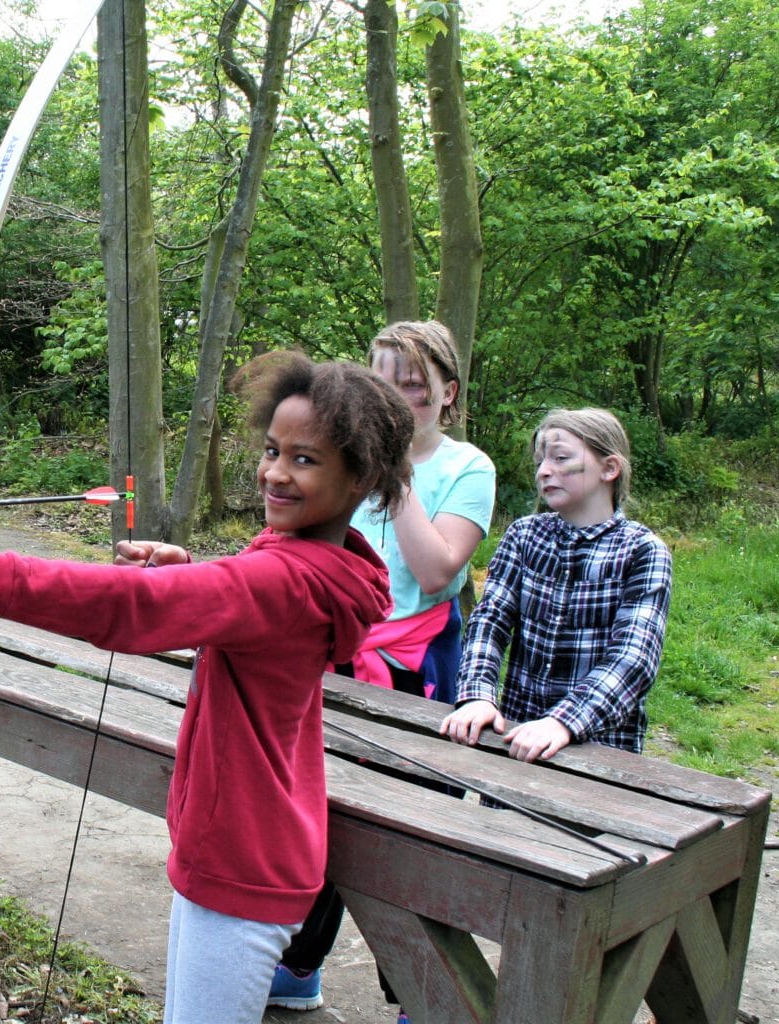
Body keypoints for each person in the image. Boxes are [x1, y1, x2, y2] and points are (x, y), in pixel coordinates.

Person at [0, 352, 415, 1024]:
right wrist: (191, 571)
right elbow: (252, 597)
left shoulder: (288, 580)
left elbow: (137, 608)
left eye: (305, 460)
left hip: (242, 864)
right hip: (251, 847)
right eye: (270, 450)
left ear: (362, 478)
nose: (275, 472)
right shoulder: (320, 563)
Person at [269, 322, 495, 1018]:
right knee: (318, 810)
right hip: (334, 651)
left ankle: (418, 996)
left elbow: (435, 569)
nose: (395, 399)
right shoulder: (338, 454)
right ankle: (300, 965)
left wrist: (394, 476)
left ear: (446, 394)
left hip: (415, 665)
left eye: (413, 386)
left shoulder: (468, 468)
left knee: (405, 834)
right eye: (381, 382)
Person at [440, 407, 672, 762]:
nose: (544, 470)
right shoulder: (524, 535)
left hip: (600, 753)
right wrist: (478, 695)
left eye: (561, 458)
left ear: (610, 469)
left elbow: (634, 659)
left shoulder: (642, 551)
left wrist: (562, 723)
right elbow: (489, 623)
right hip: (515, 741)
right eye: (540, 461)